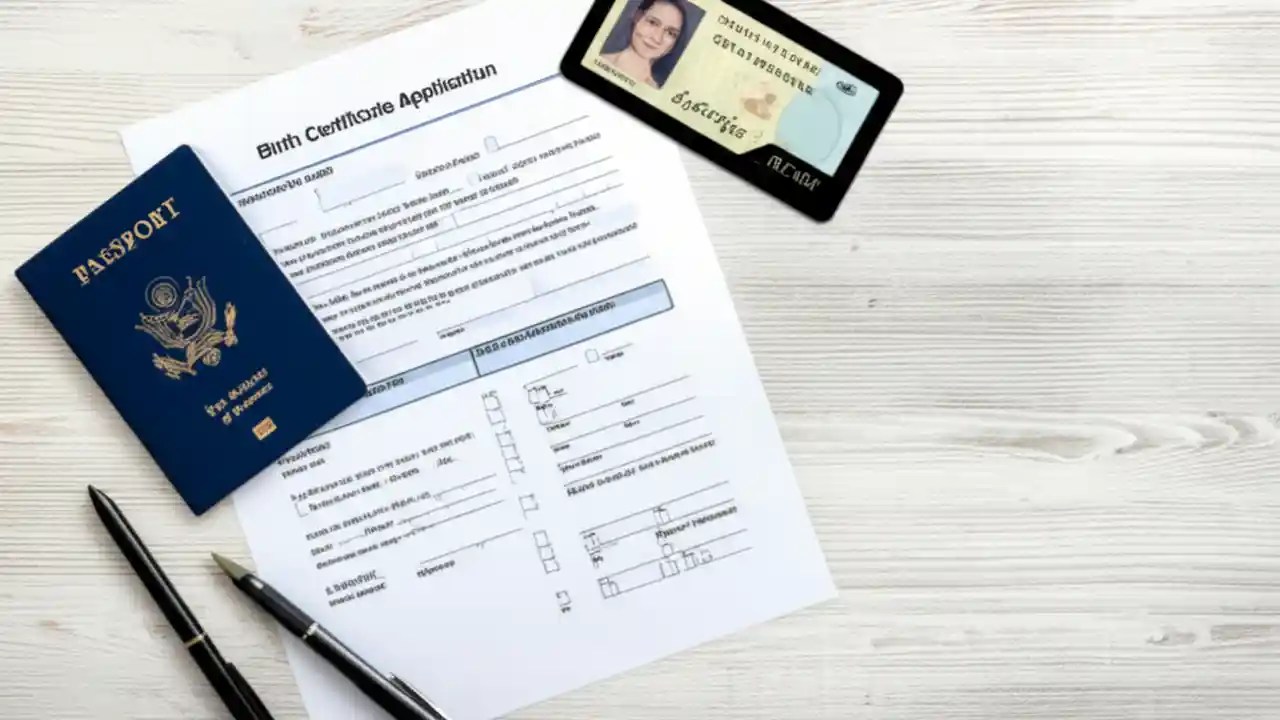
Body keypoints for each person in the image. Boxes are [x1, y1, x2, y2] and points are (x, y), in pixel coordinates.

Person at [601, 0, 687, 88]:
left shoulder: (654, 92)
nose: (657, 38)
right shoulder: (597, 60)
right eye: (652, 22)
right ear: (637, 17)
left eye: (670, 33)